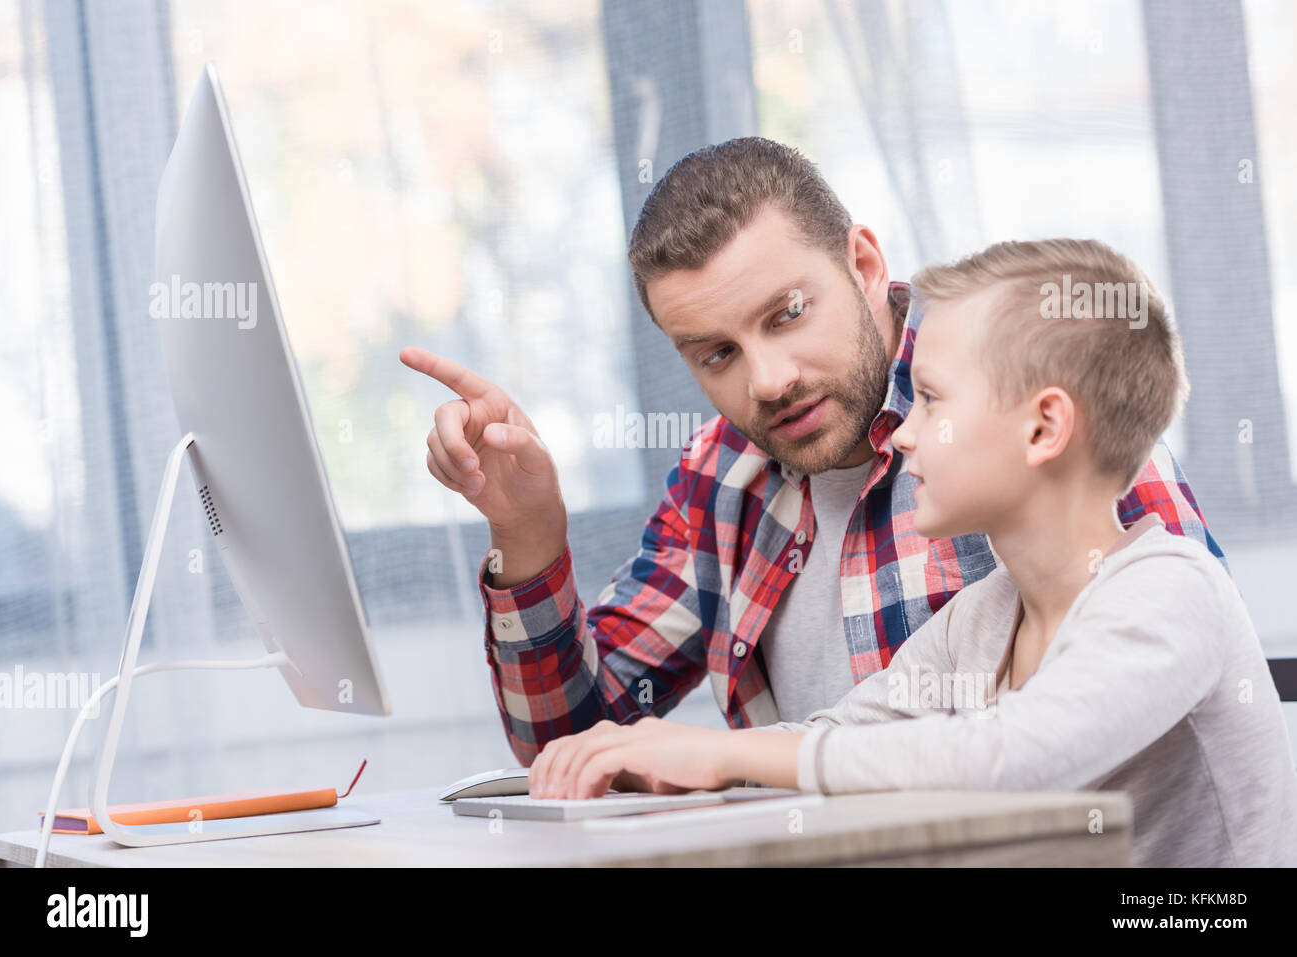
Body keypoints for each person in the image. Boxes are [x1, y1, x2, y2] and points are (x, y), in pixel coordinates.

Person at [399, 137, 1222, 775]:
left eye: (788, 313)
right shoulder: (723, 475)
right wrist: (529, 537)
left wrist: (727, 758)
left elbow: (1050, 744)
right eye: (715, 354)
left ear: (864, 265)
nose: (768, 381)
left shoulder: (1029, 396)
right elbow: (575, 751)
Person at [522, 237, 1297, 868]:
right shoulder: (983, 618)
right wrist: (670, 748)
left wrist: (720, 757)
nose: (903, 429)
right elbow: (845, 731)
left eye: (929, 399)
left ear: (1043, 428)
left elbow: (1012, 756)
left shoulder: (1169, 590)